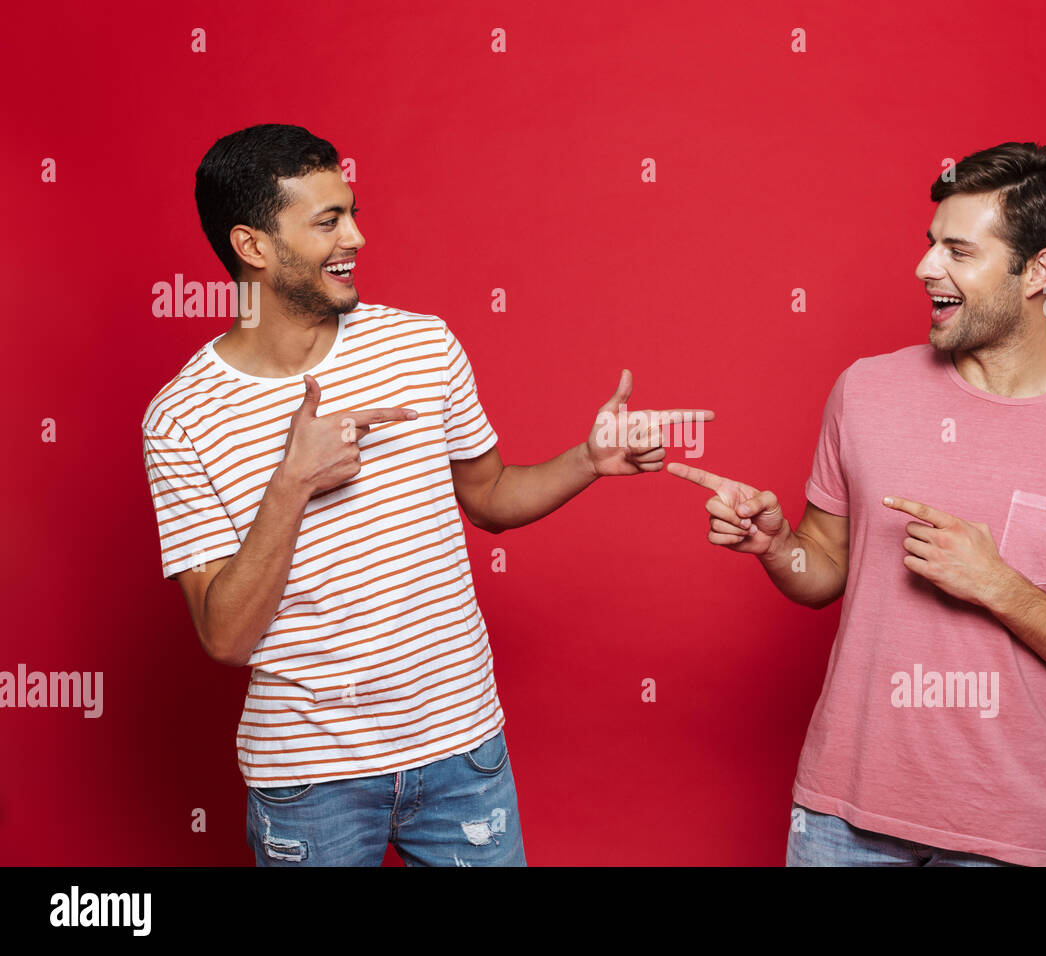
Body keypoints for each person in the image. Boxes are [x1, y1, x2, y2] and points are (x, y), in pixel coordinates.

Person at [142, 123, 711, 866]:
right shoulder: (181, 418)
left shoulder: (421, 347)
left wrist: (588, 460)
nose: (358, 236)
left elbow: (492, 497)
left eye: (351, 210)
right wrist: (292, 482)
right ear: (252, 247)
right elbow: (225, 637)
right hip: (310, 781)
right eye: (328, 221)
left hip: (460, 754)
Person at [669, 142, 1046, 867]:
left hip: (1008, 837)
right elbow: (821, 572)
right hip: (841, 821)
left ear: (1037, 272)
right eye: (930, 243)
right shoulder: (866, 392)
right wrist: (776, 543)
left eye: (958, 251)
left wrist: (998, 586)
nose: (925, 267)